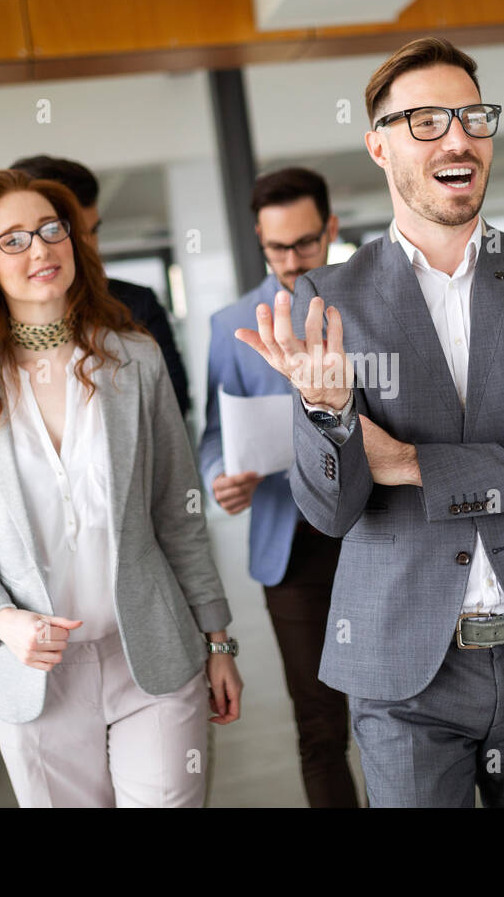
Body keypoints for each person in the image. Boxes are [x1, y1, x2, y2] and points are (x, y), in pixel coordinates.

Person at [237, 37, 504, 807]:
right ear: (377, 145)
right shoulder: (326, 296)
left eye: (473, 117)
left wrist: (411, 463)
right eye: (426, 121)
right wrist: (331, 414)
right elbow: (331, 510)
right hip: (402, 664)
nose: (458, 138)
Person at [0, 169, 240, 807]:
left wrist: (218, 640)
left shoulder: (135, 360)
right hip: (35, 677)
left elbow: (178, 514)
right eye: (11, 240)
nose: (40, 249)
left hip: (151, 657)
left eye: (51, 230)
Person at [199, 167, 358, 807]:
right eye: (277, 249)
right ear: (259, 241)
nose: (292, 262)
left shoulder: (374, 302)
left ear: (332, 229)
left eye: (306, 244)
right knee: (319, 723)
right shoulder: (230, 323)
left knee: (397, 710)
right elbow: (214, 432)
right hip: (288, 545)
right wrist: (219, 477)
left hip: (374, 529)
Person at [10, 155, 191, 417]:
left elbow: (172, 406)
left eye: (93, 231)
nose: (89, 247)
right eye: (63, 232)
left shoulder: (136, 306)